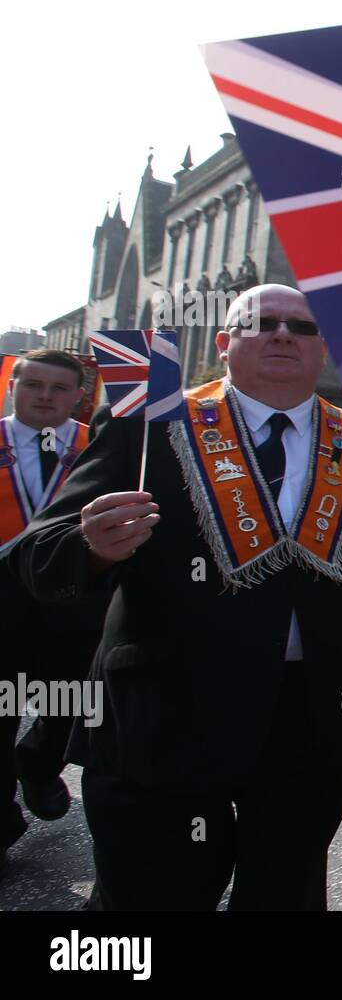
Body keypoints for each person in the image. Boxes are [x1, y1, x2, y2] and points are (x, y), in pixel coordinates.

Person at [11, 285, 342, 910]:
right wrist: (92, 546)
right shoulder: (150, 426)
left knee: (283, 894)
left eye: (302, 327)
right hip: (165, 711)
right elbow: (40, 550)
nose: (283, 334)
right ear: (223, 344)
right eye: (261, 323)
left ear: (322, 350)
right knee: (147, 900)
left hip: (311, 718)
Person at [0, 349, 92, 874]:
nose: (44, 396)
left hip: (70, 598)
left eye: (58, 388)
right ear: (13, 384)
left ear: (78, 394)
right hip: (2, 595)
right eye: (33, 384)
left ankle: (37, 763)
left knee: (68, 704)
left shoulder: (97, 444)